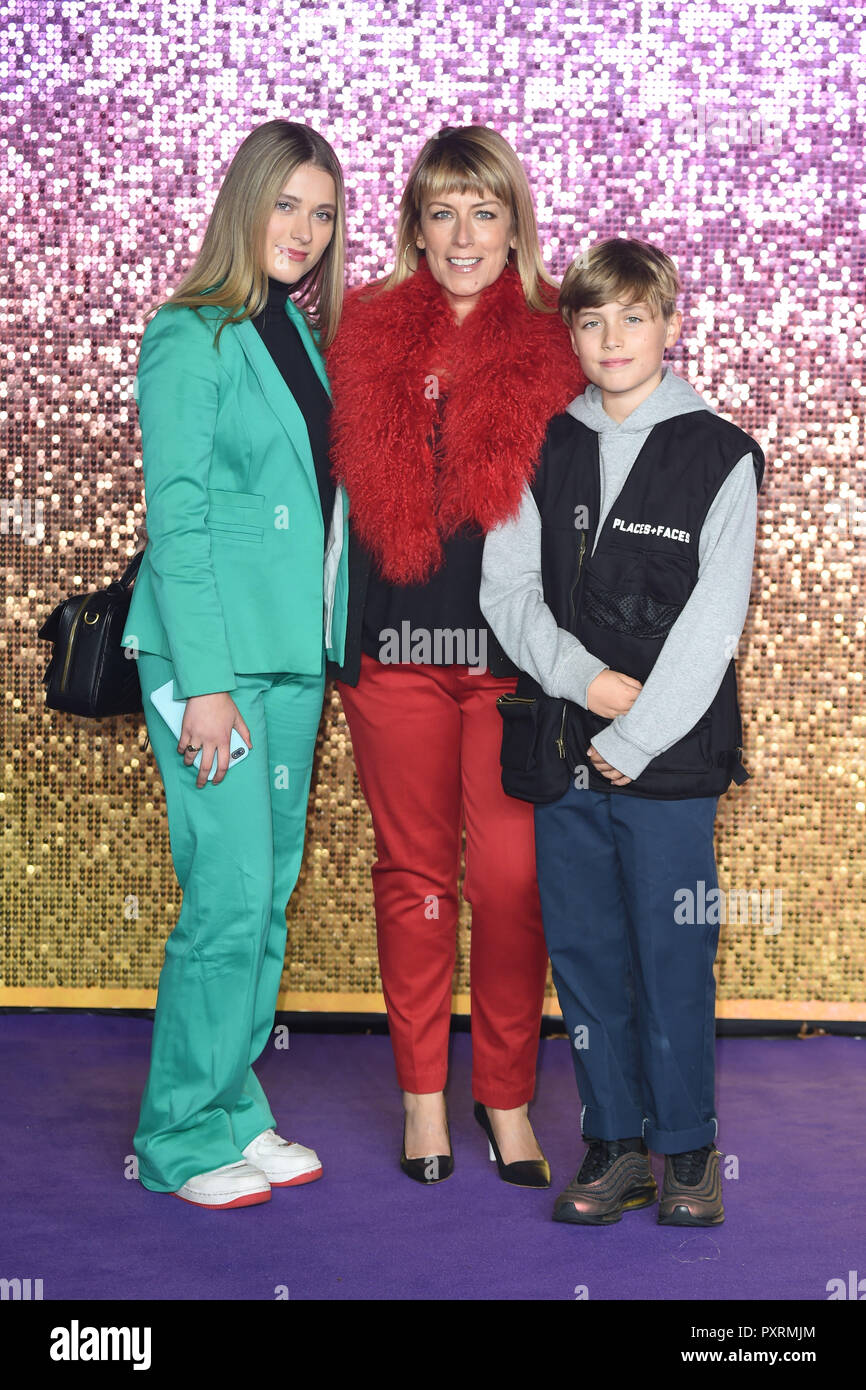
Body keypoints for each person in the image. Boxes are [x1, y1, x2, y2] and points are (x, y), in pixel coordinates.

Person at [480, 237, 763, 1225]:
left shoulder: (720, 455)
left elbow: (711, 627)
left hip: (671, 764)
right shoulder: (538, 444)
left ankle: (684, 1149)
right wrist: (584, 683)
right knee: (587, 952)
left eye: (631, 318)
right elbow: (506, 592)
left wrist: (633, 736)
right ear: (572, 333)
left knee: (671, 952)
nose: (610, 339)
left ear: (669, 326)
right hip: (562, 751)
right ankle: (612, 1141)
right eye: (590, 321)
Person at [326, 126, 584, 1185]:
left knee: (514, 883)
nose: (464, 232)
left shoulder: (561, 339)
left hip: (513, 661)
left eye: (484, 209)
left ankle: (508, 1100)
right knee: (416, 877)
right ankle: (423, 1098)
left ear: (515, 223)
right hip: (394, 648)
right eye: (442, 211)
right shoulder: (360, 331)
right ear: (414, 229)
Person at [120, 119, 350, 1209]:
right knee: (222, 899)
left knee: (264, 901)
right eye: (285, 204)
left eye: (320, 210)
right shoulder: (189, 332)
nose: (302, 230)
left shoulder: (292, 334)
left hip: (289, 661)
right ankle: (176, 1135)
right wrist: (203, 686)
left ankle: (231, 1107)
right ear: (244, 203)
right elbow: (178, 521)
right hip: (213, 666)